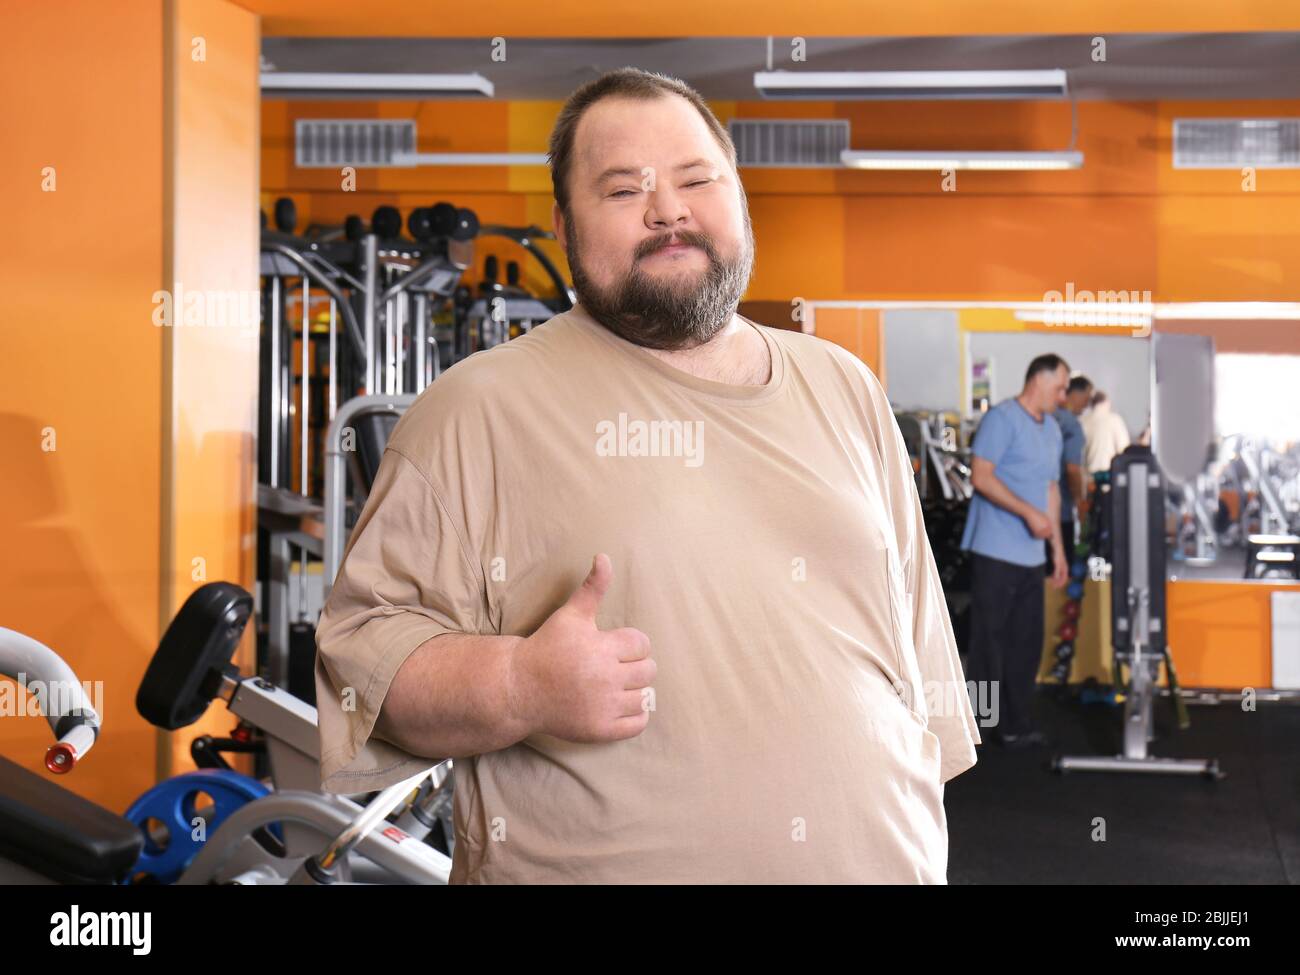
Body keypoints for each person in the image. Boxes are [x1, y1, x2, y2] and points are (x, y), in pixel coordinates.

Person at [313, 67, 980, 884]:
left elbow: (917, 660)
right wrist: (519, 684)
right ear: (563, 224)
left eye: (698, 179)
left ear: (738, 198)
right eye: (625, 189)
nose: (669, 208)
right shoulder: (478, 410)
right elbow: (360, 661)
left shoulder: (847, 386)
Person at [959, 355, 1071, 749]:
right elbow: (981, 476)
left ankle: (1014, 724)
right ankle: (976, 728)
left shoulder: (1053, 430)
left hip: (1031, 556)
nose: (1063, 396)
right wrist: (1027, 514)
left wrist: (1057, 549)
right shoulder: (1001, 420)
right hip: (994, 550)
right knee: (988, 640)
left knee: (1026, 641)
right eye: (1059, 387)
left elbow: (1051, 491)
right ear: (1038, 381)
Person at [1048, 374, 1093, 576]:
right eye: (1086, 397)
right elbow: (1072, 469)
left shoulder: (1044, 418)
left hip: (1034, 514)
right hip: (1062, 512)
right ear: (1073, 393)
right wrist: (1079, 502)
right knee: (1059, 578)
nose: (1087, 403)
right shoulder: (1070, 425)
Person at [1080, 390, 1131, 475]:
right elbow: (1124, 449)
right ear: (1107, 402)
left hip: (1088, 477)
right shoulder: (1115, 420)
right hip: (1109, 475)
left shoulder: (1083, 421)